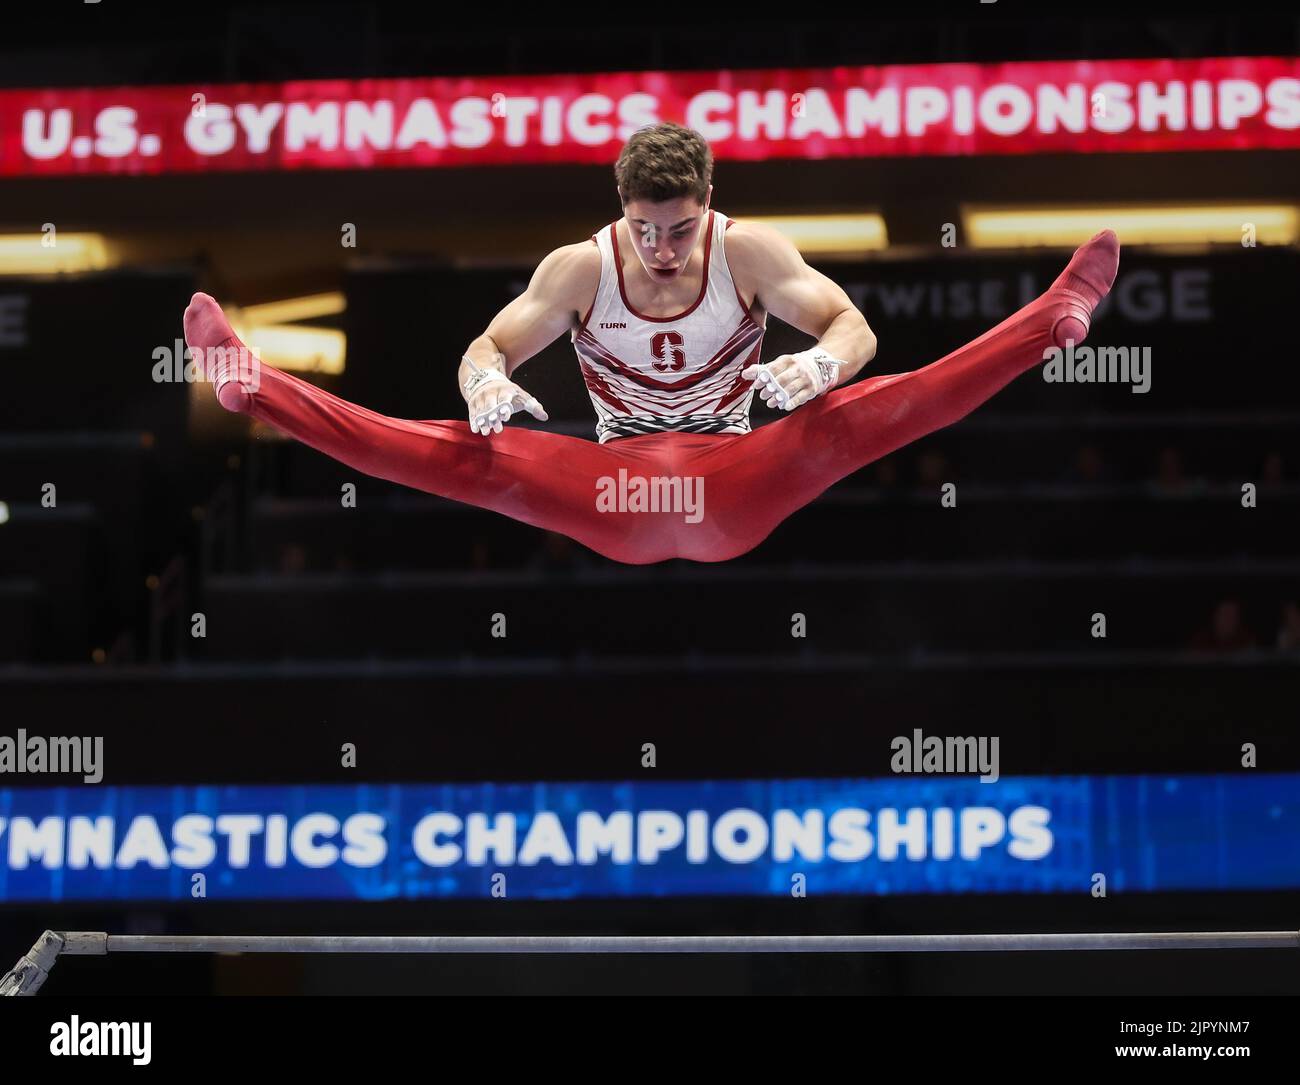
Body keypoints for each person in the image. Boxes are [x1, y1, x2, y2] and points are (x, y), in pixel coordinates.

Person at [183, 123, 1119, 565]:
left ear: (707, 202)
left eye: (679, 228)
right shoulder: (579, 268)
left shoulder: (747, 250)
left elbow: (855, 326)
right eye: (645, 228)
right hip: (617, 489)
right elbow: (489, 343)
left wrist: (820, 362)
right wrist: (482, 383)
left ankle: (1054, 317)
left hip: (735, 477)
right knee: (469, 457)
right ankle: (249, 382)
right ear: (620, 210)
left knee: (852, 420)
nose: (664, 249)